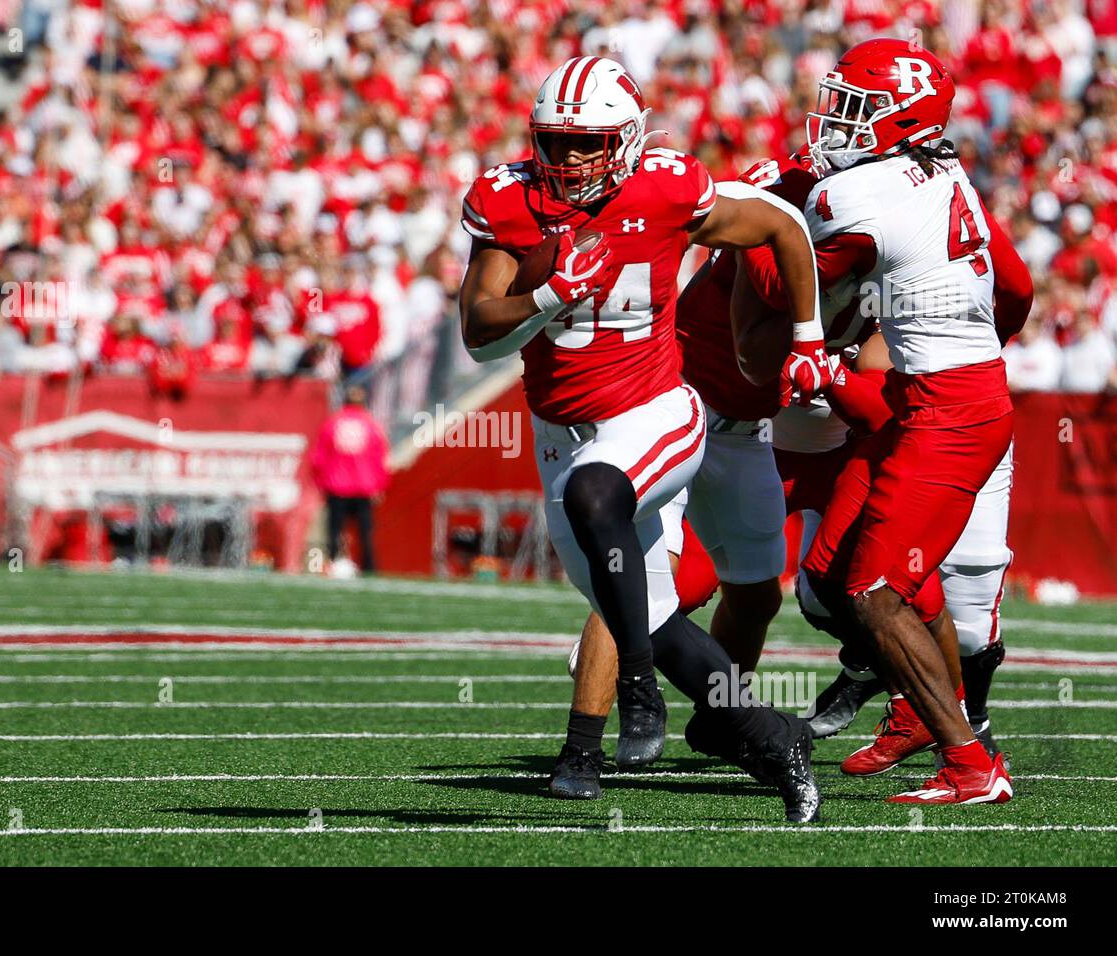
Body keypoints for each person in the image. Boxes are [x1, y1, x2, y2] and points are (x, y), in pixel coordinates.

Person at [458, 56, 828, 821]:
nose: (567, 160)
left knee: (599, 498)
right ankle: (771, 736)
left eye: (586, 143)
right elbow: (479, 330)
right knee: (651, 613)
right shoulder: (509, 199)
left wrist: (808, 337)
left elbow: (781, 224)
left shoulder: (666, 186)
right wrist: (549, 293)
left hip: (656, 411)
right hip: (561, 434)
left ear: (626, 140)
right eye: (554, 142)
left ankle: (635, 683)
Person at [797, 39, 1030, 804]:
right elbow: (1016, 287)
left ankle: (970, 761)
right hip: (940, 396)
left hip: (946, 412)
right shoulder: (947, 171)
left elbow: (780, 281)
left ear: (901, 117)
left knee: (875, 590)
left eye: (853, 108)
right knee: (834, 573)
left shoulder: (858, 194)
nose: (835, 121)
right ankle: (916, 715)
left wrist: (755, 209)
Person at [308, 385, 390, 576]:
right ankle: (368, 566)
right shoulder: (372, 426)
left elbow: (319, 457)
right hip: (364, 486)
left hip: (337, 485)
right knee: (365, 532)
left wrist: (320, 483)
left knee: (334, 531)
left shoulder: (332, 423)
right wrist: (380, 485)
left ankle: (333, 564)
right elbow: (380, 459)